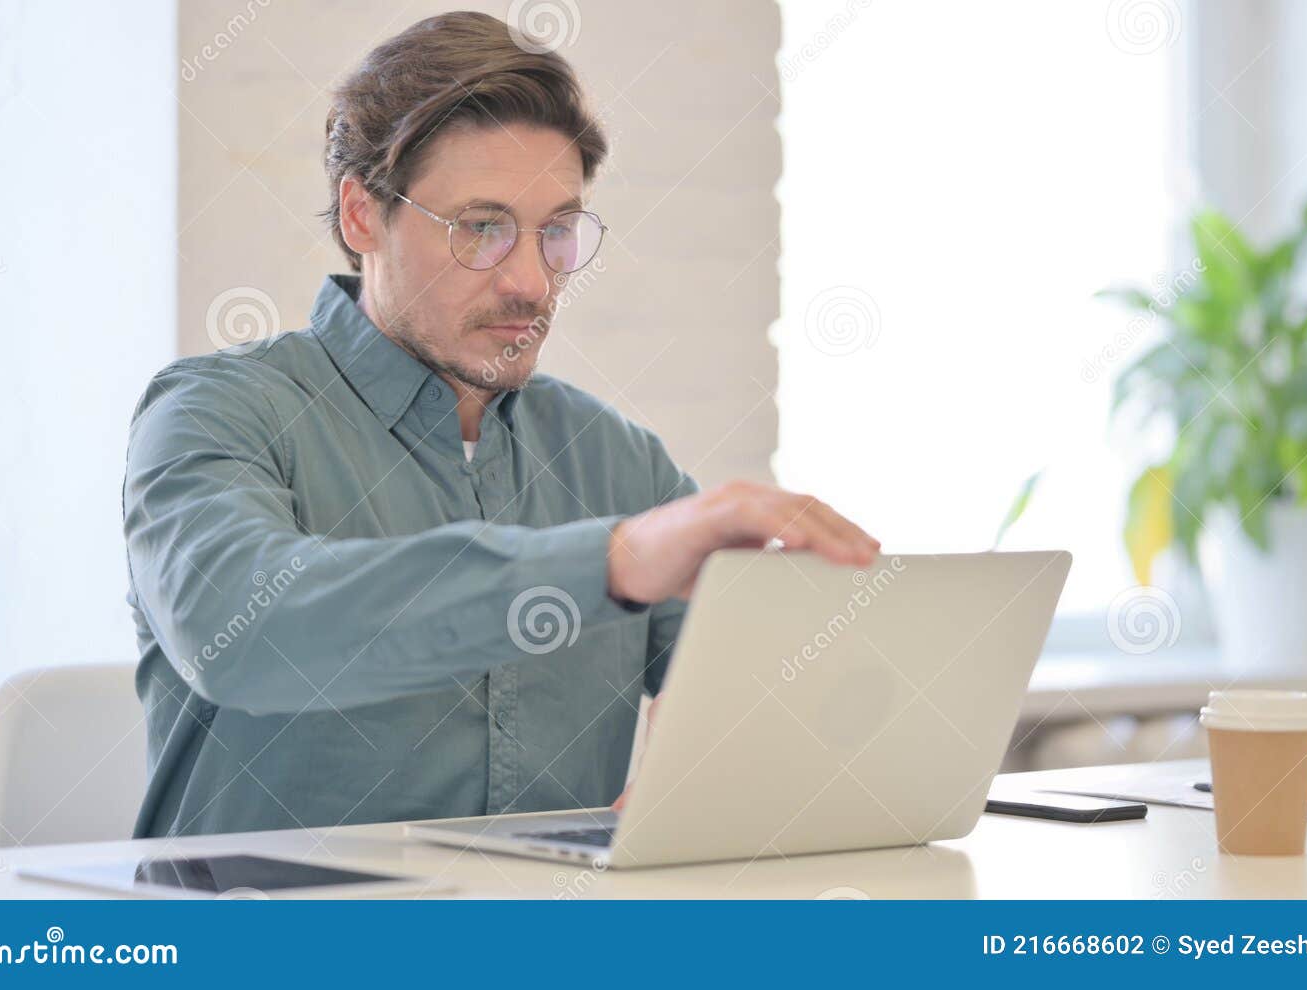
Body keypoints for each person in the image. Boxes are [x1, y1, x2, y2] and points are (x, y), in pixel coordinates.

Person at [123, 10, 877, 838]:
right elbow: (245, 633)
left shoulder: (614, 460)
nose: (528, 281)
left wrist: (727, 739)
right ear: (361, 215)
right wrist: (610, 563)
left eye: (555, 231)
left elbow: (767, 688)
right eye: (480, 228)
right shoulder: (212, 412)